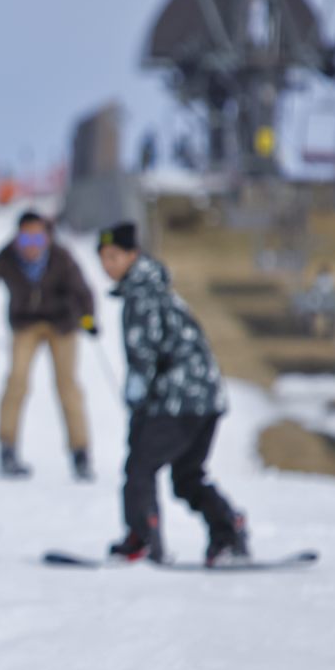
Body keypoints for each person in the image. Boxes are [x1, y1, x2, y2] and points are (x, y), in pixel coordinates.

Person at [96, 223, 249, 565]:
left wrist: (137, 399)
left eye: (114, 257)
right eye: (103, 258)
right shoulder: (156, 289)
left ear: (132, 255)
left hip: (179, 401)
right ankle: (227, 530)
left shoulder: (142, 296)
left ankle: (142, 538)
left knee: (140, 466)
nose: (108, 265)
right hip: (206, 399)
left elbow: (144, 356)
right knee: (187, 476)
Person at [0, 210, 98, 480]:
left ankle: (80, 453)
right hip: (26, 325)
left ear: (46, 238)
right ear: (17, 239)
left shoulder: (61, 257)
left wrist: (88, 317)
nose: (32, 246)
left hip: (62, 325)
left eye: (37, 239)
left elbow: (82, 290)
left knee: (67, 386)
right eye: (26, 240)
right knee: (17, 381)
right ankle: (7, 448)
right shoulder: (8, 257)